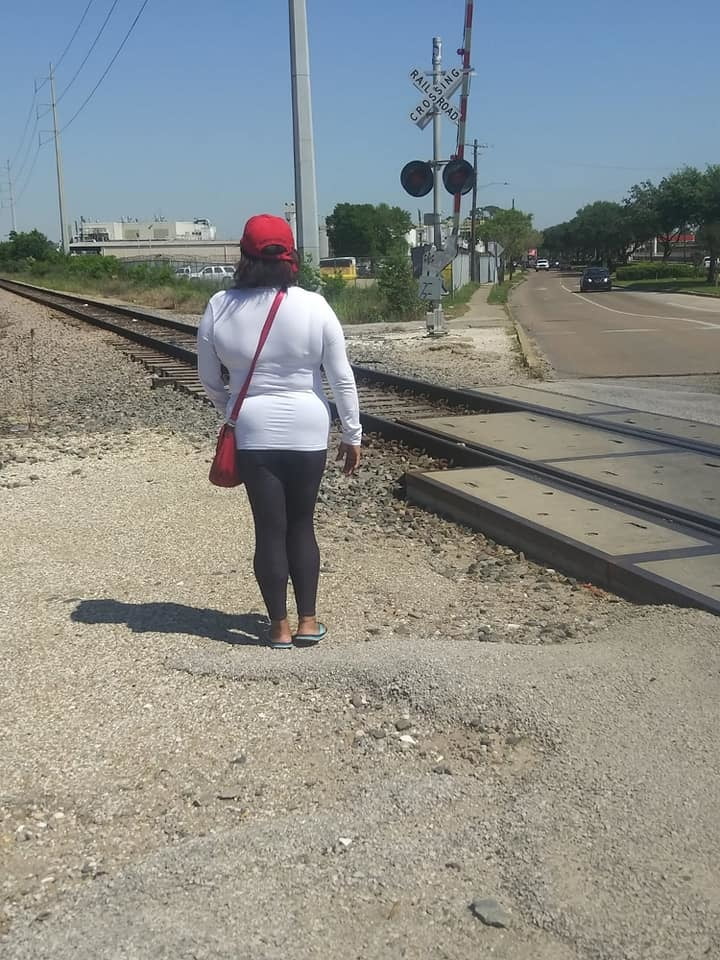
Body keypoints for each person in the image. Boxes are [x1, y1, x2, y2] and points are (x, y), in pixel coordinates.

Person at [197, 214, 362, 649]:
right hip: (309, 425)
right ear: (291, 256)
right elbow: (341, 377)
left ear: (244, 256)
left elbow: (208, 377)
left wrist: (231, 408)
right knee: (302, 524)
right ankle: (309, 622)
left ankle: (278, 628)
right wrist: (352, 433)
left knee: (269, 529)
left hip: (253, 428)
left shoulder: (220, 305)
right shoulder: (315, 305)